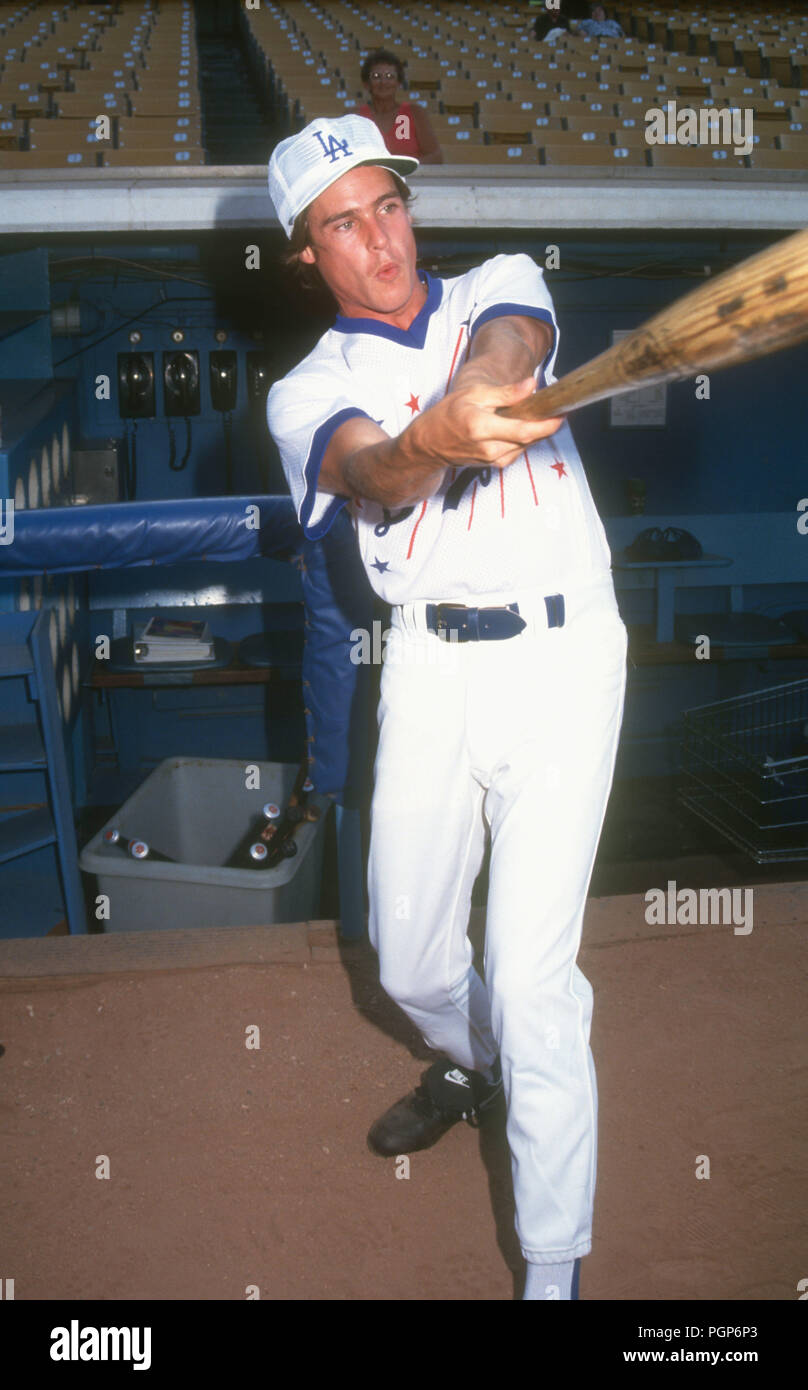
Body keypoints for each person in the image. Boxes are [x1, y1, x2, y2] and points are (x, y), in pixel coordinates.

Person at [266, 114, 628, 1301]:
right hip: (427, 667)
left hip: (565, 659)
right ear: (303, 255)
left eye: (389, 205)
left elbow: (513, 336)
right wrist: (435, 436)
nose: (380, 239)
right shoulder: (303, 390)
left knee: (532, 985)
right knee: (412, 960)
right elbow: (365, 467)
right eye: (343, 223)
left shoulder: (498, 281)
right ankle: (474, 1064)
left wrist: (481, 387)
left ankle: (553, 1272)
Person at [358, 48, 443, 164]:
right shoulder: (356, 116)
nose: (383, 82)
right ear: (366, 83)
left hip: (411, 180)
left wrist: (405, 169)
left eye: (390, 76)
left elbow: (436, 156)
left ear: (398, 82)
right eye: (376, 76)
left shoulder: (415, 113)